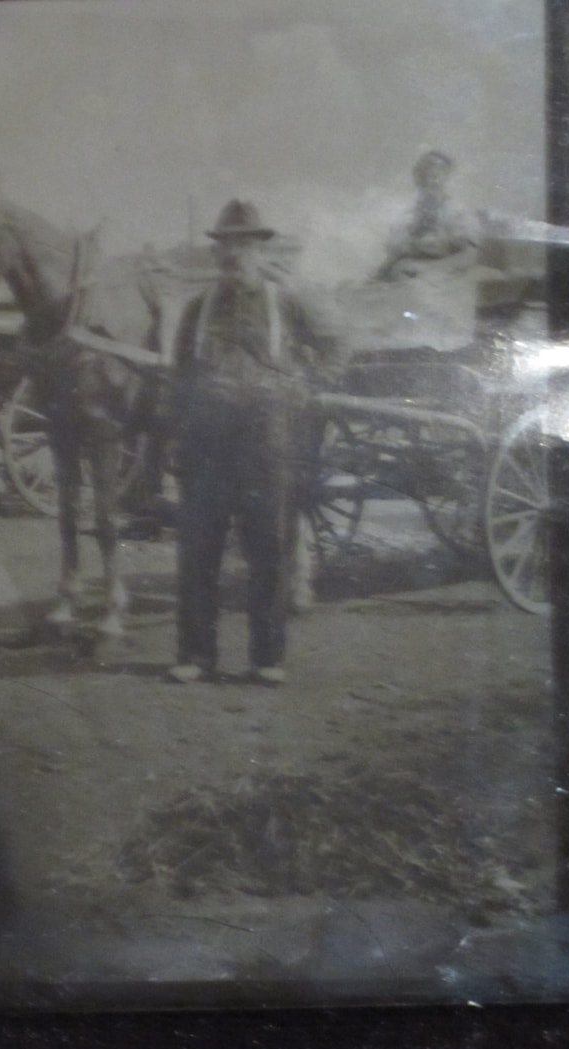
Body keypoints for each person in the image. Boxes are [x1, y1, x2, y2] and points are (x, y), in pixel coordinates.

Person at [167, 199, 333, 686]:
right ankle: (196, 657)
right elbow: (178, 378)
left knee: (269, 552)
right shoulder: (198, 309)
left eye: (244, 245)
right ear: (217, 254)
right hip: (207, 449)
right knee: (198, 553)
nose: (234, 255)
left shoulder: (287, 303)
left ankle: (268, 659)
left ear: (261, 250)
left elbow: (336, 345)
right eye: (226, 246)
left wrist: (309, 383)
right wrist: (178, 437)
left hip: (267, 446)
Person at [374, 151, 478, 281]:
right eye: (423, 177)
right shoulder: (408, 213)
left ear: (445, 177)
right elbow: (395, 254)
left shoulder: (455, 212)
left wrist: (429, 268)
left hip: (443, 274)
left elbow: (469, 256)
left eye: (434, 176)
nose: (428, 182)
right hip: (406, 271)